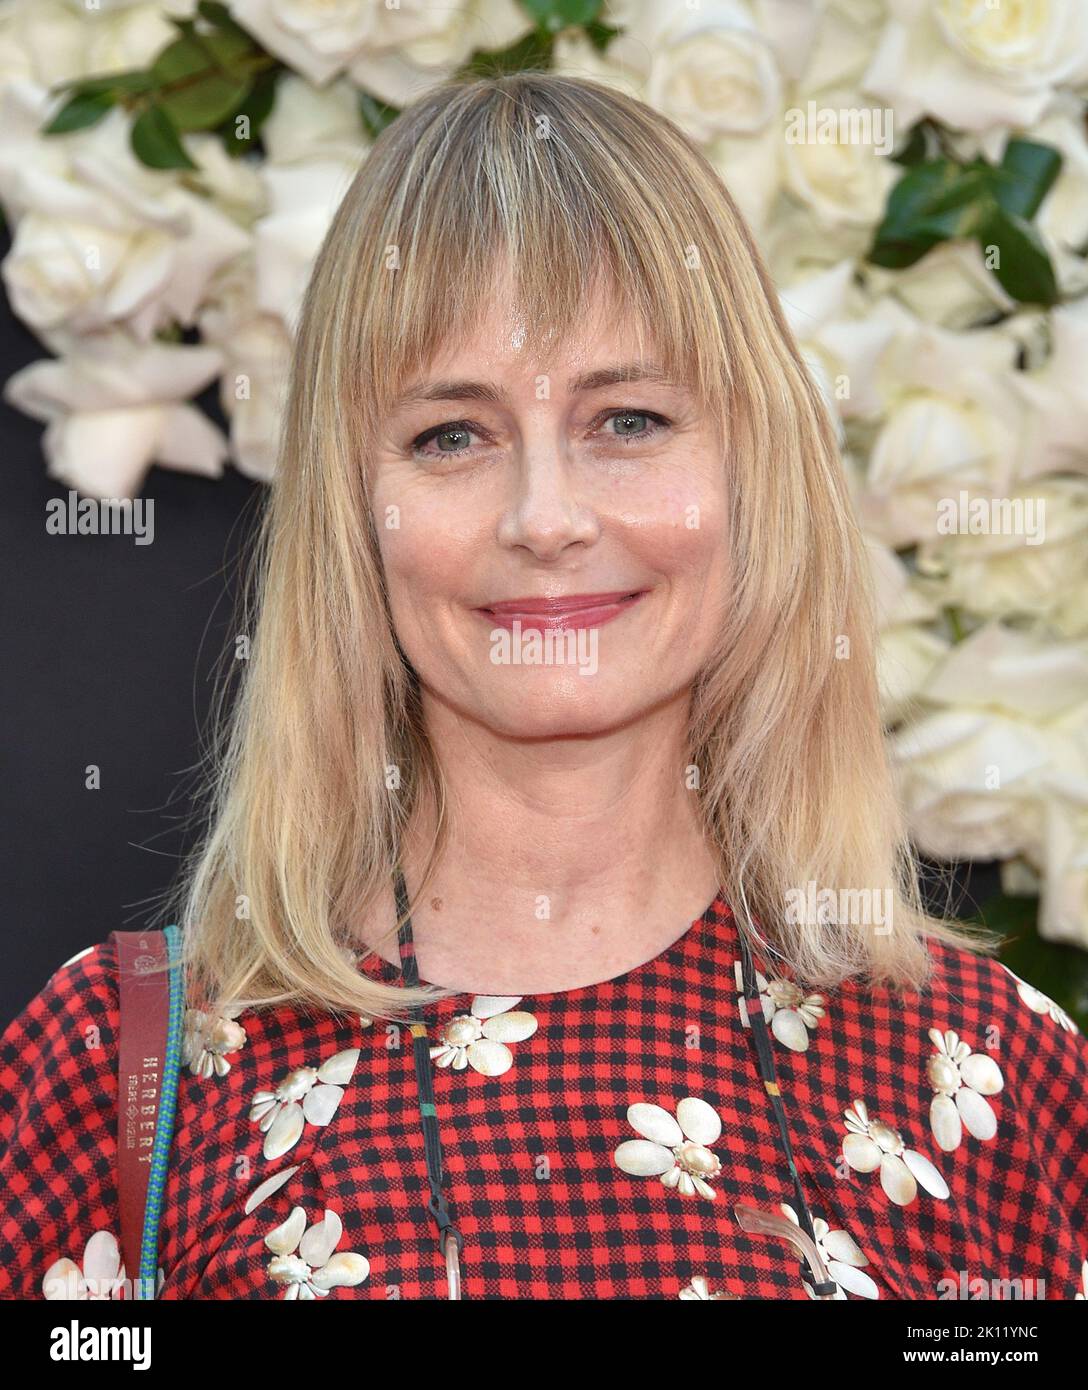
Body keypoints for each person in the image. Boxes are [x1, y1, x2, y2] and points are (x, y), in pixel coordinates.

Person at [2, 72, 1085, 1302]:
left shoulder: (991, 1075)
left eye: (625, 418)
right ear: (352, 511)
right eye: (450, 437)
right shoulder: (115, 1070)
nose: (544, 518)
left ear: (750, 470)